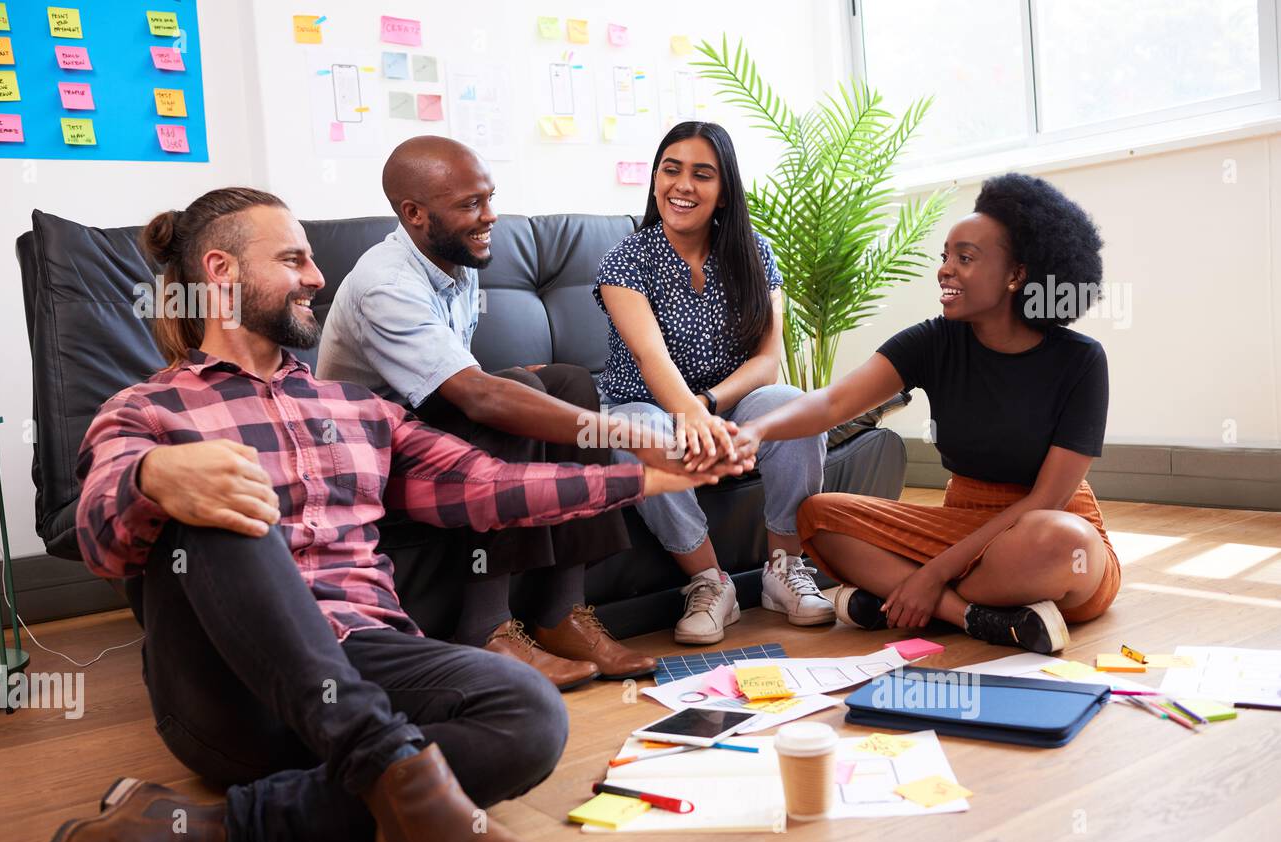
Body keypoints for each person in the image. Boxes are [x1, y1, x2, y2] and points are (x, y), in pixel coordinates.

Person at [42, 187, 728, 842]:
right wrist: (156, 476)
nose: (317, 277)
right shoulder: (148, 409)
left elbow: (490, 488)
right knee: (223, 489)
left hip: (365, 658)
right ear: (222, 273)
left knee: (532, 714)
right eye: (293, 259)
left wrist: (650, 476)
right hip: (230, 692)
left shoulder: (358, 407)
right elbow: (100, 540)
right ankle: (396, 768)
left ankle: (216, 830)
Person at [319, 137, 739, 686]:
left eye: (489, 198)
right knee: (503, 402)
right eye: (471, 204)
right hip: (367, 458)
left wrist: (545, 395)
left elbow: (454, 378)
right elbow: (475, 397)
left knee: (567, 381)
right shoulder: (387, 283)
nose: (490, 217)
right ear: (414, 214)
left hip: (422, 432)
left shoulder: (454, 259)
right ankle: (487, 629)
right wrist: (623, 433)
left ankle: (561, 614)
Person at [734, 173, 1120, 654]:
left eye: (965, 258)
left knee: (1065, 544)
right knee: (818, 516)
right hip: (957, 528)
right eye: (945, 256)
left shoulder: (1081, 360)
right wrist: (753, 430)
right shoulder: (933, 341)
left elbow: (1045, 500)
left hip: (1040, 531)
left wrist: (931, 575)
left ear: (1015, 275)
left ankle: (905, 600)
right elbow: (832, 403)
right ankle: (972, 617)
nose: (944, 270)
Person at [594, 121, 833, 646]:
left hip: (726, 403)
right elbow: (652, 360)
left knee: (794, 406)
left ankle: (782, 570)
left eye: (702, 174)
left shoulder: (754, 253)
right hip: (648, 404)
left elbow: (768, 362)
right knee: (635, 431)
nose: (682, 185)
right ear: (655, 179)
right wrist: (694, 418)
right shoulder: (626, 261)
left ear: (724, 191)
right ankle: (709, 582)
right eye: (670, 169)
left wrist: (710, 406)